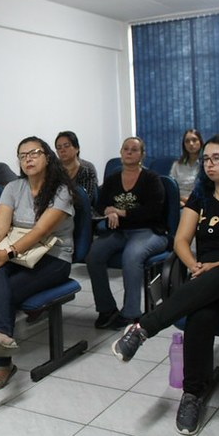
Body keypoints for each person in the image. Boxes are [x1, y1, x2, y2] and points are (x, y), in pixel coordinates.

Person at [109, 134, 219, 435]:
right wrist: (193, 265)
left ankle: (144, 327)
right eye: (206, 160)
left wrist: (216, 267)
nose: (209, 165)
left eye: (217, 158)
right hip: (207, 280)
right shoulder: (201, 197)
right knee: (202, 313)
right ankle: (192, 394)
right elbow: (182, 241)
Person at [0, 137, 74, 392]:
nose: (27, 158)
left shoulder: (61, 190)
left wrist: (5, 254)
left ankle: (2, 363)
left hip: (54, 257)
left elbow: (41, 230)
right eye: (22, 155)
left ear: (47, 157)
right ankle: (3, 336)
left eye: (34, 153)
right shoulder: (13, 188)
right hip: (19, 255)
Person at [87, 137, 167, 330]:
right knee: (93, 256)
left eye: (134, 149)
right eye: (126, 149)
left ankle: (131, 313)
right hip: (121, 231)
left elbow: (153, 210)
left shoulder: (151, 178)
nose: (129, 152)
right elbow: (100, 203)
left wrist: (121, 212)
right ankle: (106, 309)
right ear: (121, 152)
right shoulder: (113, 178)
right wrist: (108, 210)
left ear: (142, 155)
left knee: (131, 257)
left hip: (149, 231)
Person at [55, 130, 99, 206]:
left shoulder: (87, 170)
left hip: (80, 212)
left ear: (77, 148)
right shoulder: (53, 170)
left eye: (66, 146)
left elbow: (85, 199)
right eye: (59, 148)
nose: (62, 150)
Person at [170, 128, 203, 206]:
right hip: (179, 201)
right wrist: (182, 200)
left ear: (200, 142)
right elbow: (171, 187)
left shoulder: (206, 164)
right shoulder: (177, 165)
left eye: (194, 140)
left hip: (199, 202)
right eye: (187, 141)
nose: (191, 144)